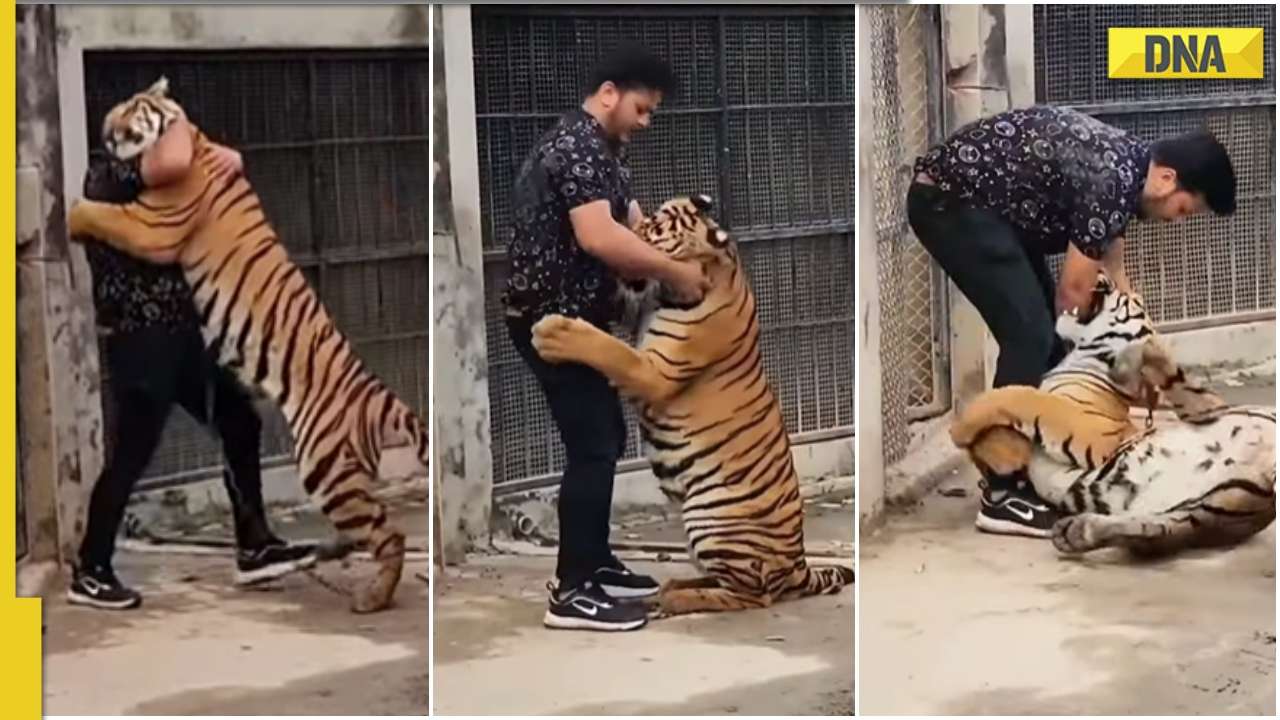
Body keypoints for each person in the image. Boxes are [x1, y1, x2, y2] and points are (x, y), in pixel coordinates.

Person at [907, 105, 1236, 539]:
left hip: (988, 213)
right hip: (950, 204)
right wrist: (1104, 359)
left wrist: (1130, 309)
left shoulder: (1128, 166)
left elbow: (1110, 259)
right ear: (1167, 180)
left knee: (1047, 341)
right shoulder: (1111, 178)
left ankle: (1034, 471)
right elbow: (1075, 293)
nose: (1178, 220)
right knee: (1031, 336)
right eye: (1184, 210)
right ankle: (1002, 494)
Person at [69, 118, 318, 610]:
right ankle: (91, 569)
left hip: (182, 338)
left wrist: (186, 133)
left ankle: (254, 543)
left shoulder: (155, 176)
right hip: (139, 341)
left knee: (239, 418)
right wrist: (177, 125)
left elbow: (229, 161)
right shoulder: (107, 178)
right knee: (132, 452)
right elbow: (183, 158)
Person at [502, 43, 709, 632]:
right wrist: (676, 273)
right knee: (592, 446)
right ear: (610, 93)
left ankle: (593, 562)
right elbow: (599, 237)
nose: (645, 122)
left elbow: (636, 227)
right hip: (552, 323)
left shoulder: (605, 151)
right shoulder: (576, 147)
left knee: (604, 438)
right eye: (641, 109)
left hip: (580, 319)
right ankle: (571, 592)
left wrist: (671, 249)